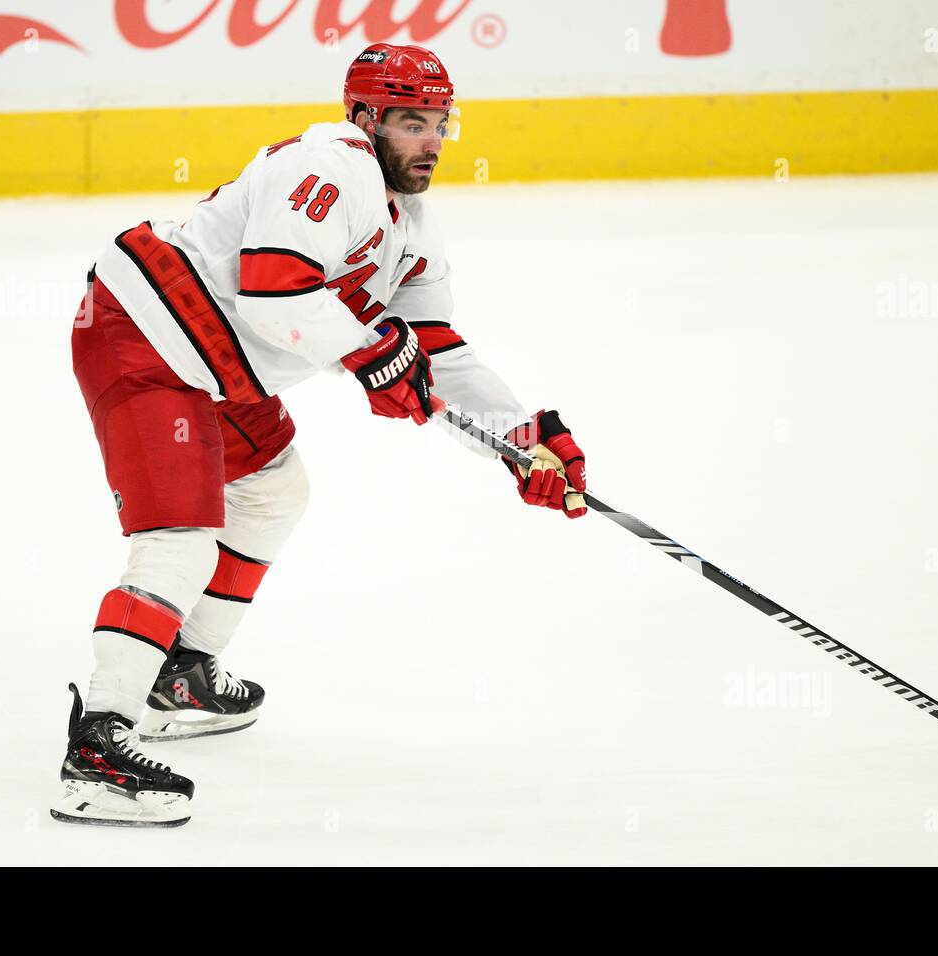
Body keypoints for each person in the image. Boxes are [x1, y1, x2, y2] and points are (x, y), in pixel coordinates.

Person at [53, 43, 589, 827]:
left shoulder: (413, 223)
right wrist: (373, 354)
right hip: (144, 329)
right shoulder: (332, 163)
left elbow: (435, 346)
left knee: (272, 490)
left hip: (217, 356)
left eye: (441, 122)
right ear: (365, 118)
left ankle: (179, 672)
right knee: (182, 537)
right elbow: (275, 290)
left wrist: (520, 438)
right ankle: (95, 747)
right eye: (412, 122)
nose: (432, 141)